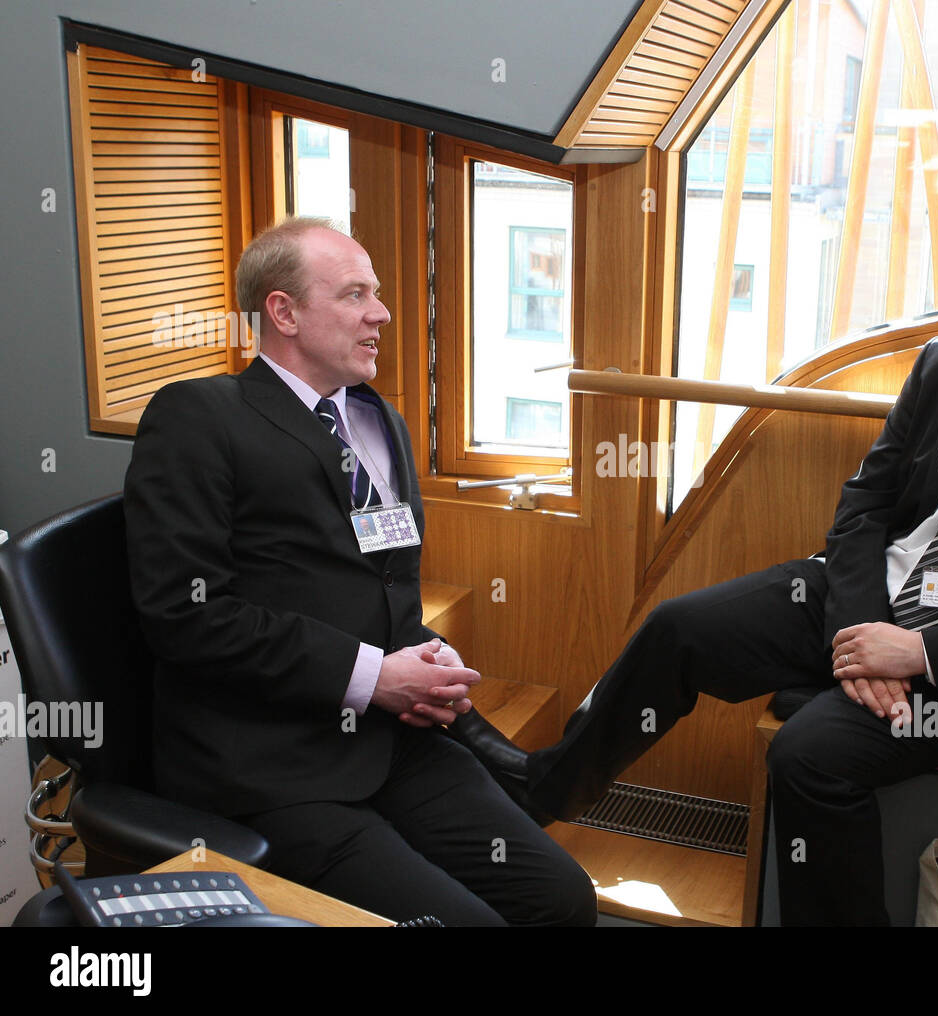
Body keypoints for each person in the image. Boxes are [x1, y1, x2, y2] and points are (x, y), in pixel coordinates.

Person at [474, 197, 938, 925]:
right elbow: (863, 507)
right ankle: (546, 792)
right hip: (862, 600)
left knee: (807, 757)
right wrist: (862, 635)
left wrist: (915, 653)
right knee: (678, 628)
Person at [124, 217, 595, 926]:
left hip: (392, 742)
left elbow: (384, 582)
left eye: (375, 294)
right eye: (354, 295)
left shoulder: (381, 421)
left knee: (559, 899)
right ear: (282, 312)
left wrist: (420, 664)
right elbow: (185, 614)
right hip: (272, 766)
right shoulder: (199, 417)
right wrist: (374, 675)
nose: (381, 313)